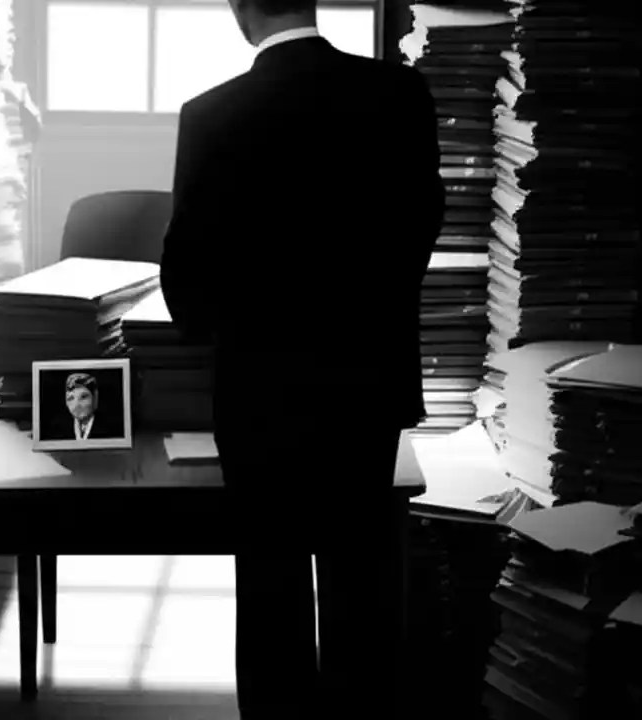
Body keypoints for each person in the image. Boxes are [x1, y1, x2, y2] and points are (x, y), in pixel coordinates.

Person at [159, 1, 444, 717]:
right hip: (367, 383)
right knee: (360, 580)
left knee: (269, 584)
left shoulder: (212, 114)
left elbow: (186, 276)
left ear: (240, 9)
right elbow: (422, 228)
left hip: (260, 392)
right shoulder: (398, 94)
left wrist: (219, 324)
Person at [40, 371, 123, 441]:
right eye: (70, 398)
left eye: (83, 397)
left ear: (95, 397)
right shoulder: (57, 430)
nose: (77, 405)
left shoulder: (113, 429)